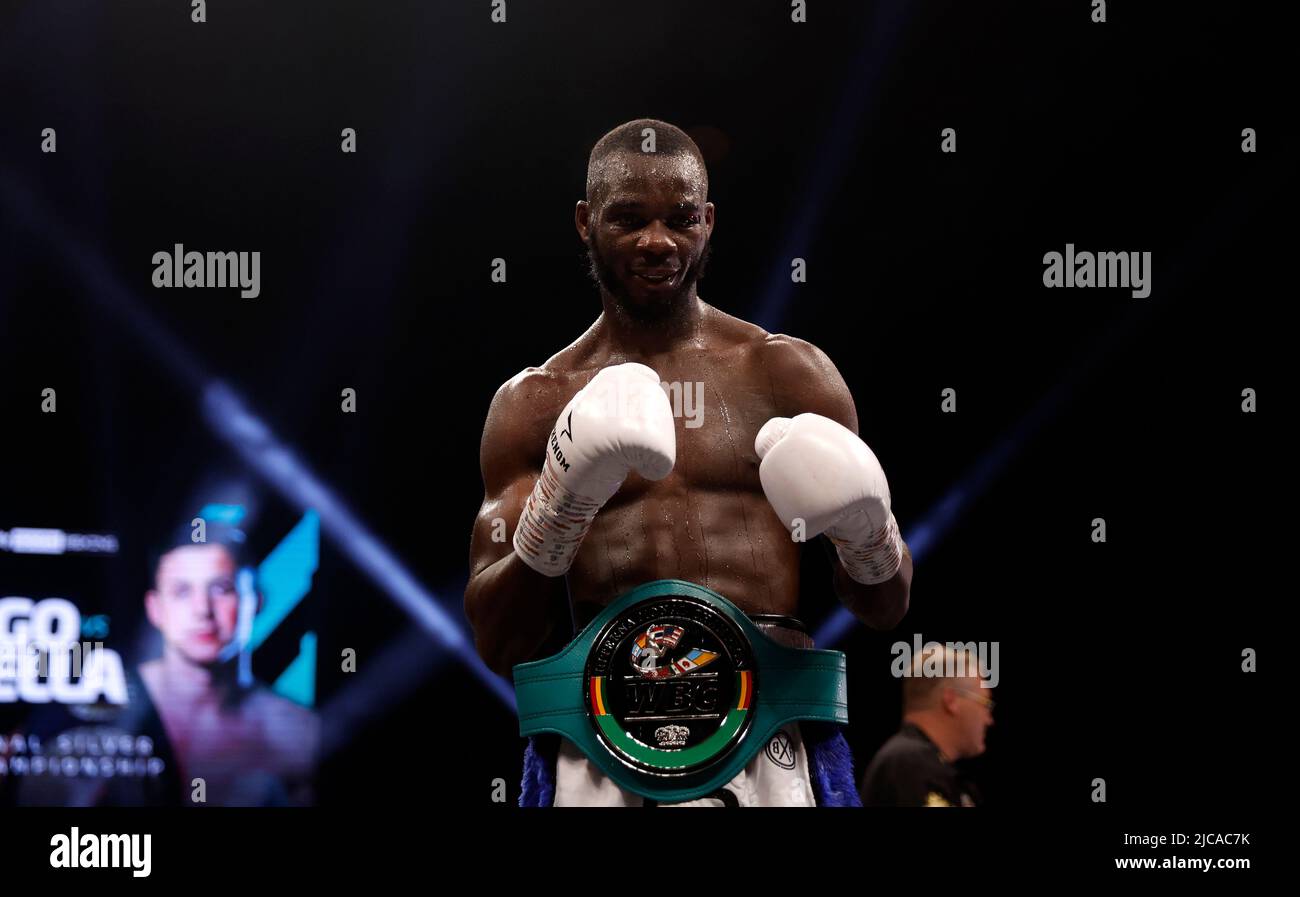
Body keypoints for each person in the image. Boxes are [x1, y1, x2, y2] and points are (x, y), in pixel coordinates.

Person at [466, 119, 913, 806]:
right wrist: (556, 513)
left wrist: (869, 534)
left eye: (679, 218)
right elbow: (500, 641)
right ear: (585, 223)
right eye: (629, 219)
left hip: (774, 745)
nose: (657, 241)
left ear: (707, 222)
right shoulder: (535, 403)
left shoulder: (787, 374)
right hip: (601, 751)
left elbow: (887, 606)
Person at [858, 646, 992, 807]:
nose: (989, 719)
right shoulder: (907, 765)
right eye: (985, 703)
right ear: (952, 701)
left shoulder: (930, 769)